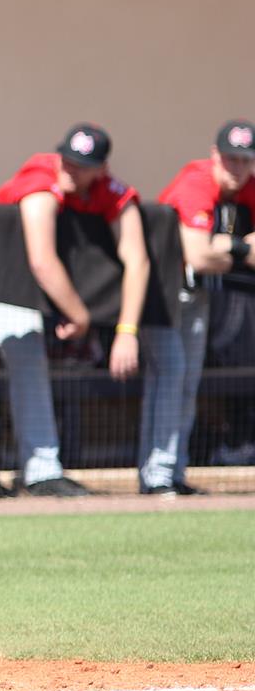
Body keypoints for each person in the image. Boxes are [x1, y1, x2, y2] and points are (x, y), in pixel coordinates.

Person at [0, 123, 148, 498]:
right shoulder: (42, 175)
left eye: (83, 165)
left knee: (29, 361)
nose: (71, 170)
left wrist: (127, 330)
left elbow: (138, 258)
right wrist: (79, 315)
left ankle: (42, 472)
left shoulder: (108, 189)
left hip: (11, 288)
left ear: (102, 168)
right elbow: (42, 260)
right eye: (68, 160)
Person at [137, 118, 255, 495]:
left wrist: (225, 245)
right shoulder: (197, 182)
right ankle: (156, 475)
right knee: (170, 376)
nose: (238, 167)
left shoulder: (247, 188)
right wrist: (242, 247)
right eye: (231, 158)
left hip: (195, 296)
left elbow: (210, 254)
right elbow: (199, 256)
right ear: (215, 155)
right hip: (161, 294)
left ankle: (173, 472)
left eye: (245, 160)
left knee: (187, 381)